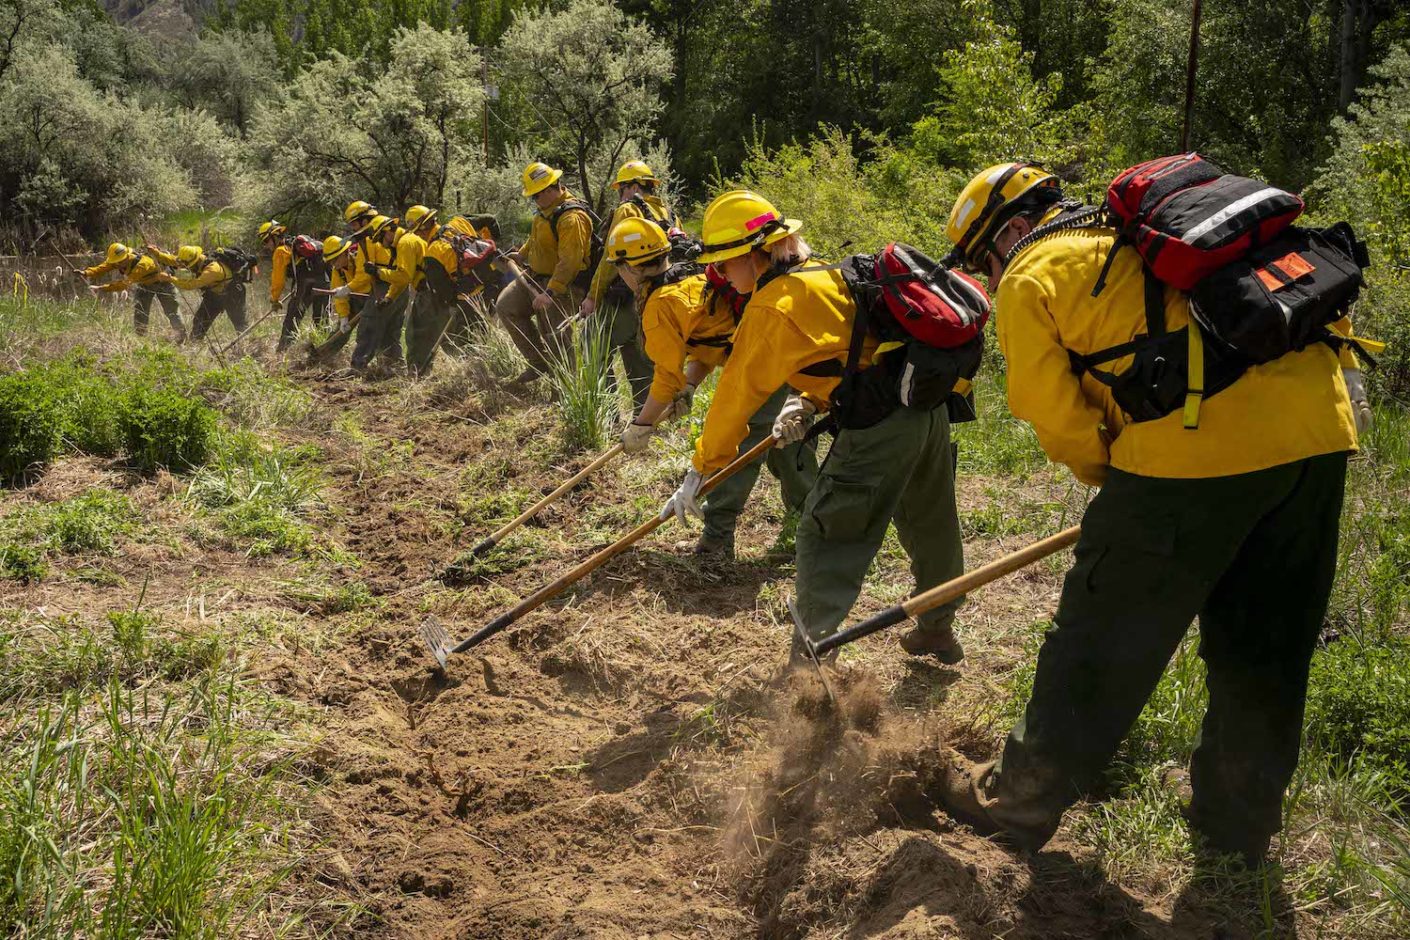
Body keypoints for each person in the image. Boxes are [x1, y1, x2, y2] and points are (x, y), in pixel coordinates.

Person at [933, 162, 1360, 867]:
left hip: (1186, 466)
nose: (990, 271)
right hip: (1319, 441)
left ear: (1011, 230)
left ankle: (1020, 798)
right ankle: (1236, 823)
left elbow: (1053, 415)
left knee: (1097, 641)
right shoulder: (1150, 234)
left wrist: (1121, 487)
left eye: (985, 257)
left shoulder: (1035, 271)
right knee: (1267, 643)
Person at [661, 191, 966, 661]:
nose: (717, 276)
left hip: (878, 427)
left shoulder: (773, 304)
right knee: (932, 524)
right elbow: (852, 352)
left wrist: (699, 471)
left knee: (826, 533)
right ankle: (938, 626)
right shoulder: (822, 273)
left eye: (723, 264)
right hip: (926, 410)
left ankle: (810, 662)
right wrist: (806, 401)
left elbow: (734, 398)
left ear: (755, 254)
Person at [606, 215, 817, 560]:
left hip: (763, 358)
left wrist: (641, 425)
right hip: (780, 348)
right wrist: (690, 386)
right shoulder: (688, 276)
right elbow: (709, 344)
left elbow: (664, 379)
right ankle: (811, 525)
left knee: (740, 444)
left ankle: (717, 541)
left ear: (630, 268)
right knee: (786, 443)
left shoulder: (658, 305)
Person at [579, 161, 673, 409]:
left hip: (622, 297)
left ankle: (605, 416)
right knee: (640, 359)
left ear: (631, 187)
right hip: (654, 297)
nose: (620, 196)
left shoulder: (628, 210)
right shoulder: (665, 212)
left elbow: (611, 260)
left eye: (621, 189)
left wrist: (592, 296)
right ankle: (646, 417)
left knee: (592, 347)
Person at [496, 162, 594, 383]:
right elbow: (535, 239)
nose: (534, 200)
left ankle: (564, 390)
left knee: (556, 337)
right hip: (536, 277)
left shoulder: (571, 218)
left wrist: (549, 293)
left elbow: (570, 262)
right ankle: (538, 363)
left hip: (564, 285)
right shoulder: (544, 211)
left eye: (535, 196)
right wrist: (520, 255)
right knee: (506, 307)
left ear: (550, 189)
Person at [81, 242, 186, 341]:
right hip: (145, 283)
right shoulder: (118, 261)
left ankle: (180, 336)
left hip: (163, 282)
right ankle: (141, 337)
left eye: (120, 262)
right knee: (140, 310)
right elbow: (104, 267)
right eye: (116, 262)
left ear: (127, 256)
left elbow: (123, 284)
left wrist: (101, 288)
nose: (117, 265)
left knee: (171, 310)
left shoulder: (140, 266)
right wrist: (87, 272)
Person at [148, 244, 248, 341]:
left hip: (233, 293)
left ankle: (247, 344)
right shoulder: (198, 259)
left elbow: (191, 285)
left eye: (187, 266)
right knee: (200, 320)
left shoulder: (213, 270)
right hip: (214, 293)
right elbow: (174, 260)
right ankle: (195, 342)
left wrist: (170, 278)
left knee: (239, 322)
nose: (186, 267)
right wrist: (157, 254)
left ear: (194, 261)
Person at [258, 220, 330, 351]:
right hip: (324, 284)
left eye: (266, 241)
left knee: (292, 319)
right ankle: (324, 351)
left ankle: (283, 352)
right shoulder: (296, 246)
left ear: (274, 236)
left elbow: (278, 279)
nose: (265, 245)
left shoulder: (281, 251)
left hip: (305, 286)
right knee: (322, 320)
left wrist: (275, 299)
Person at [350, 215, 408, 373]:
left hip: (386, 286)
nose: (381, 243)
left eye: (354, 224)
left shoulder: (403, 243)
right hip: (399, 289)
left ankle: (358, 366)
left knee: (369, 324)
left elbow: (363, 275)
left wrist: (349, 288)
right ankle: (393, 366)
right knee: (391, 330)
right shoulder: (400, 240)